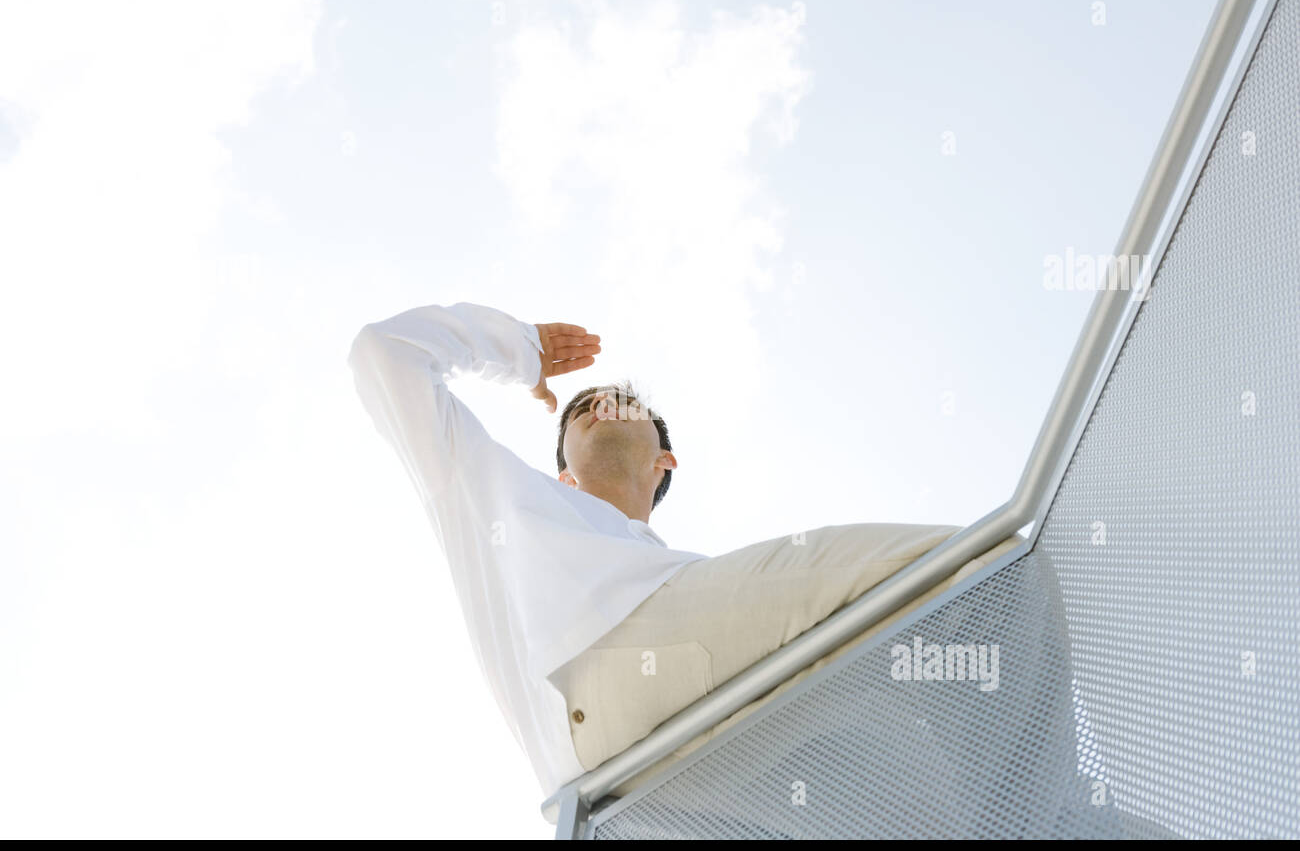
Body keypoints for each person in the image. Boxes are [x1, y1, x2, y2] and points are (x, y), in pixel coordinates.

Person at [347, 300, 1019, 799]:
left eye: (623, 401)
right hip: (591, 730)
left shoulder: (689, 581)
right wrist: (522, 350)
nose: (603, 401)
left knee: (915, 781)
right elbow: (385, 353)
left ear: (664, 460)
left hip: (639, 788)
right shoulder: (490, 489)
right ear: (562, 475)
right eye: (582, 405)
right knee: (979, 565)